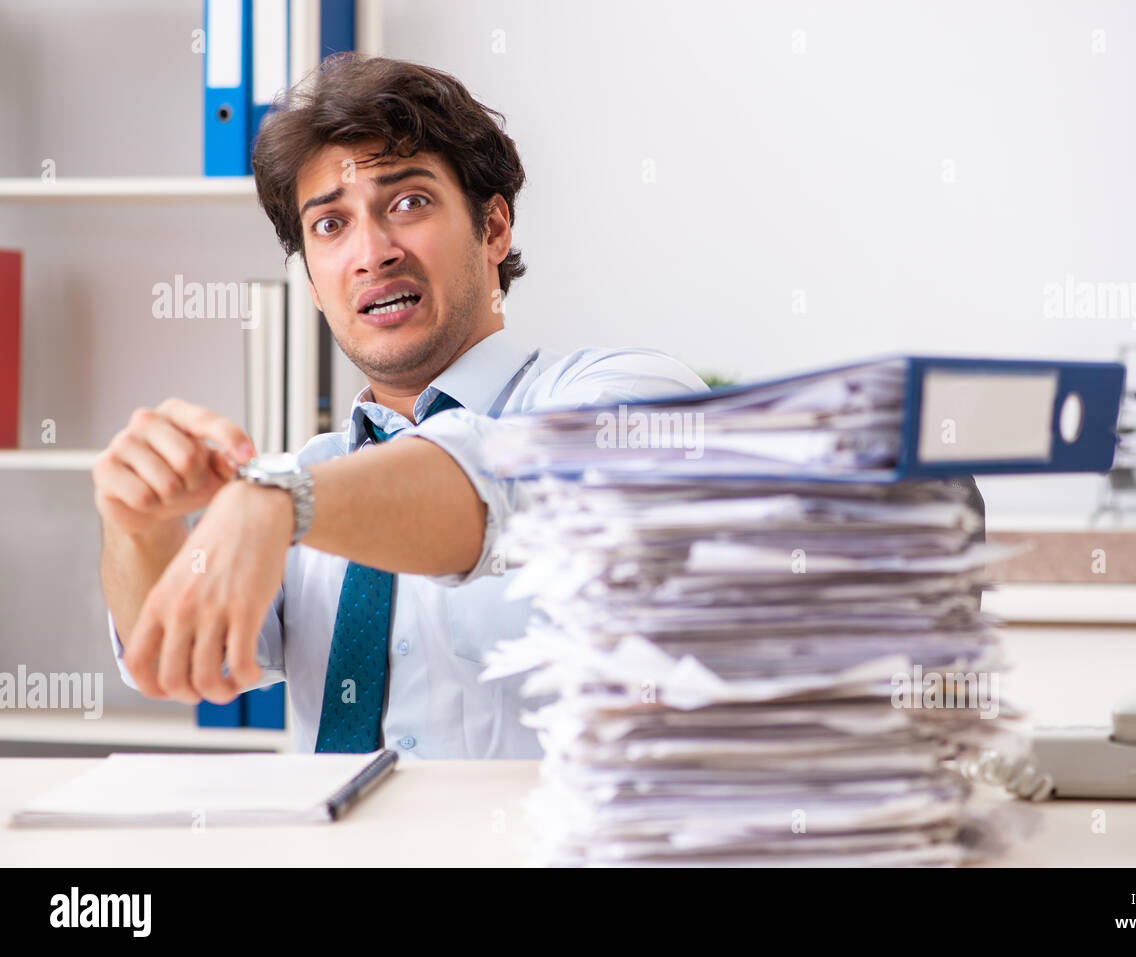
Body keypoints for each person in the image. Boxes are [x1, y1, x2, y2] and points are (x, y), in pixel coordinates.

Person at [94, 53, 707, 758]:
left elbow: (501, 484)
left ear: (493, 230)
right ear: (315, 285)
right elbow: (181, 664)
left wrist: (283, 502)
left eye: (409, 203)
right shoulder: (308, 475)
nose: (372, 252)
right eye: (330, 225)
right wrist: (136, 525)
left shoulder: (634, 393)